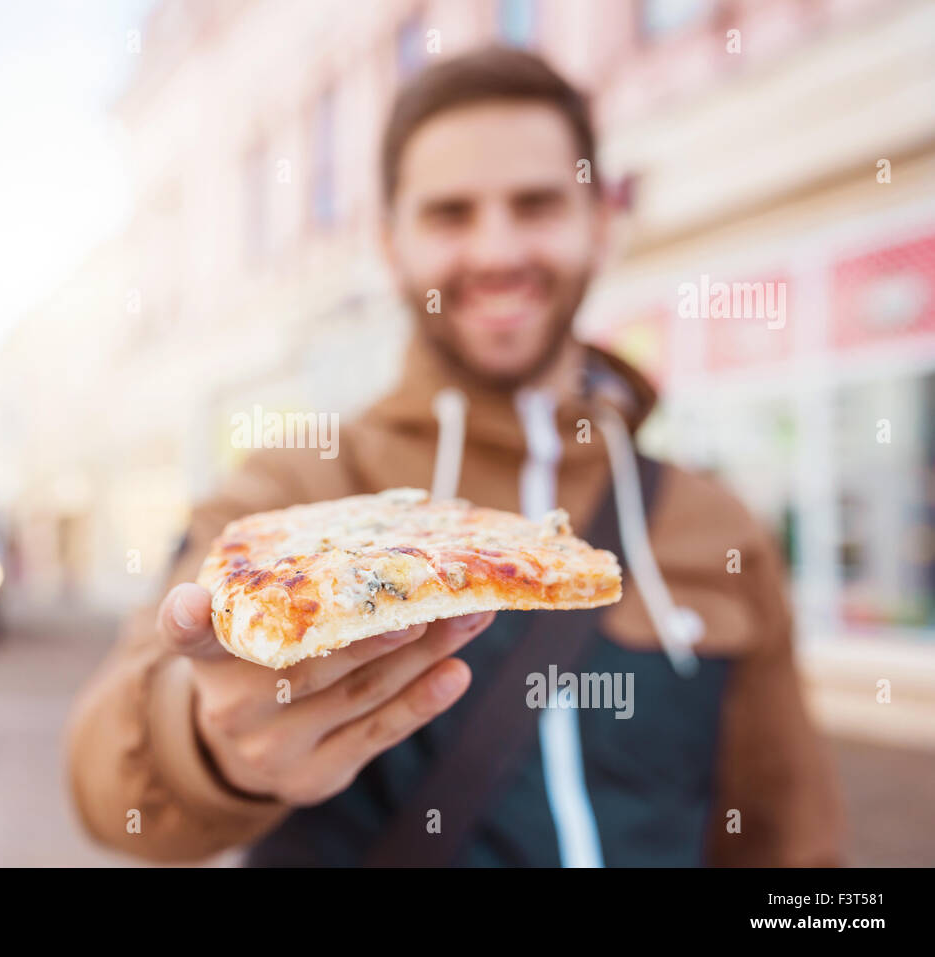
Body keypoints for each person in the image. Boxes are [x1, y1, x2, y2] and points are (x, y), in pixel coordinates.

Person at [65, 45, 843, 866]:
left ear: (600, 224)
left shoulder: (713, 523)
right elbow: (106, 785)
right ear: (391, 244)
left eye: (536, 204)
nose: (497, 251)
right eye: (451, 214)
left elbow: (792, 841)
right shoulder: (296, 489)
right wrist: (206, 738)